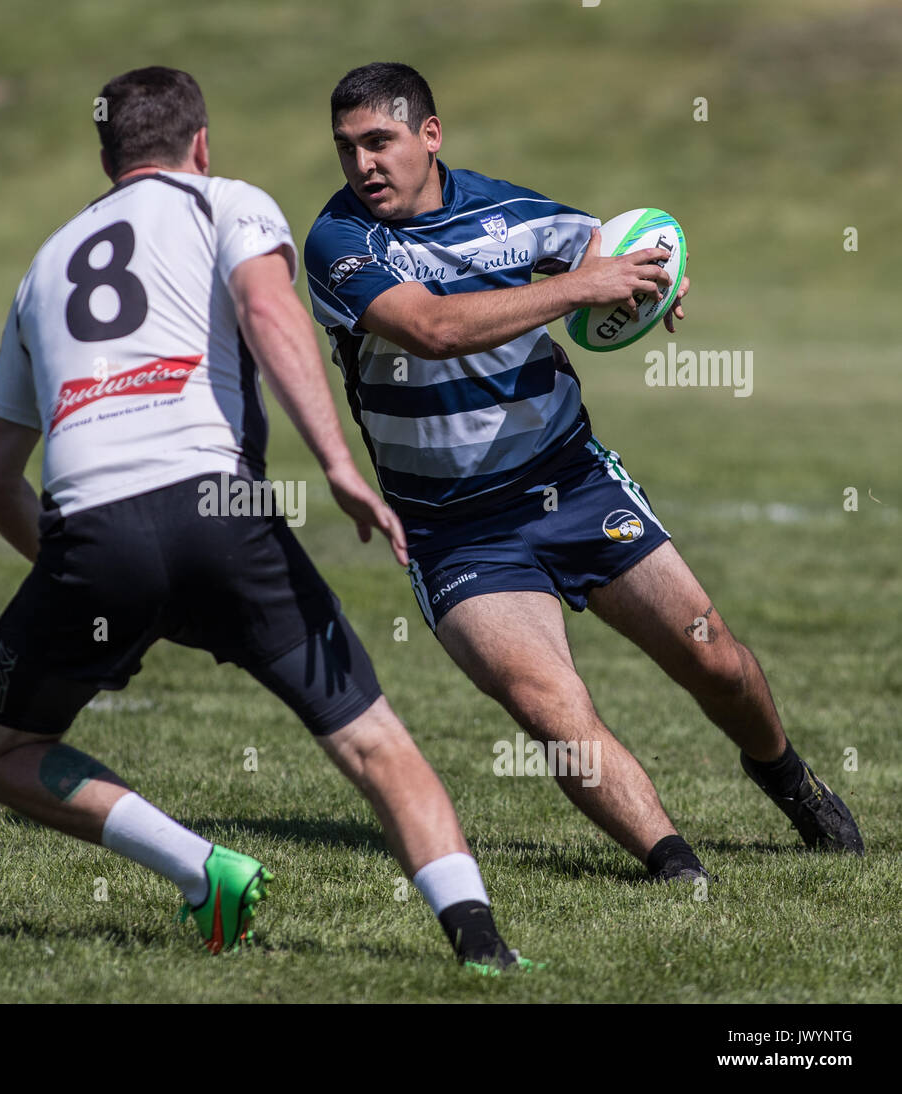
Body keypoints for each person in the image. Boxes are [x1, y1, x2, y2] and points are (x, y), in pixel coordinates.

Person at [0, 66, 538, 972]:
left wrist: (88, 585)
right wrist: (340, 466)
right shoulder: (224, 200)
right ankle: (482, 947)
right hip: (222, 514)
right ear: (199, 145)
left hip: (90, 535)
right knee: (373, 739)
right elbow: (271, 311)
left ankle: (200, 868)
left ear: (106, 156)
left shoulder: (45, 264)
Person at [303, 62, 863, 882]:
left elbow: (622, 243)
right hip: (456, 533)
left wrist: (654, 277)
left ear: (430, 135)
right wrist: (576, 287)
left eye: (379, 142)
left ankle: (783, 772)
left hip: (572, 484)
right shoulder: (340, 242)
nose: (363, 167)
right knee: (550, 707)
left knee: (716, 660)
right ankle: (677, 871)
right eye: (347, 149)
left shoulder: (512, 214)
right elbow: (430, 329)